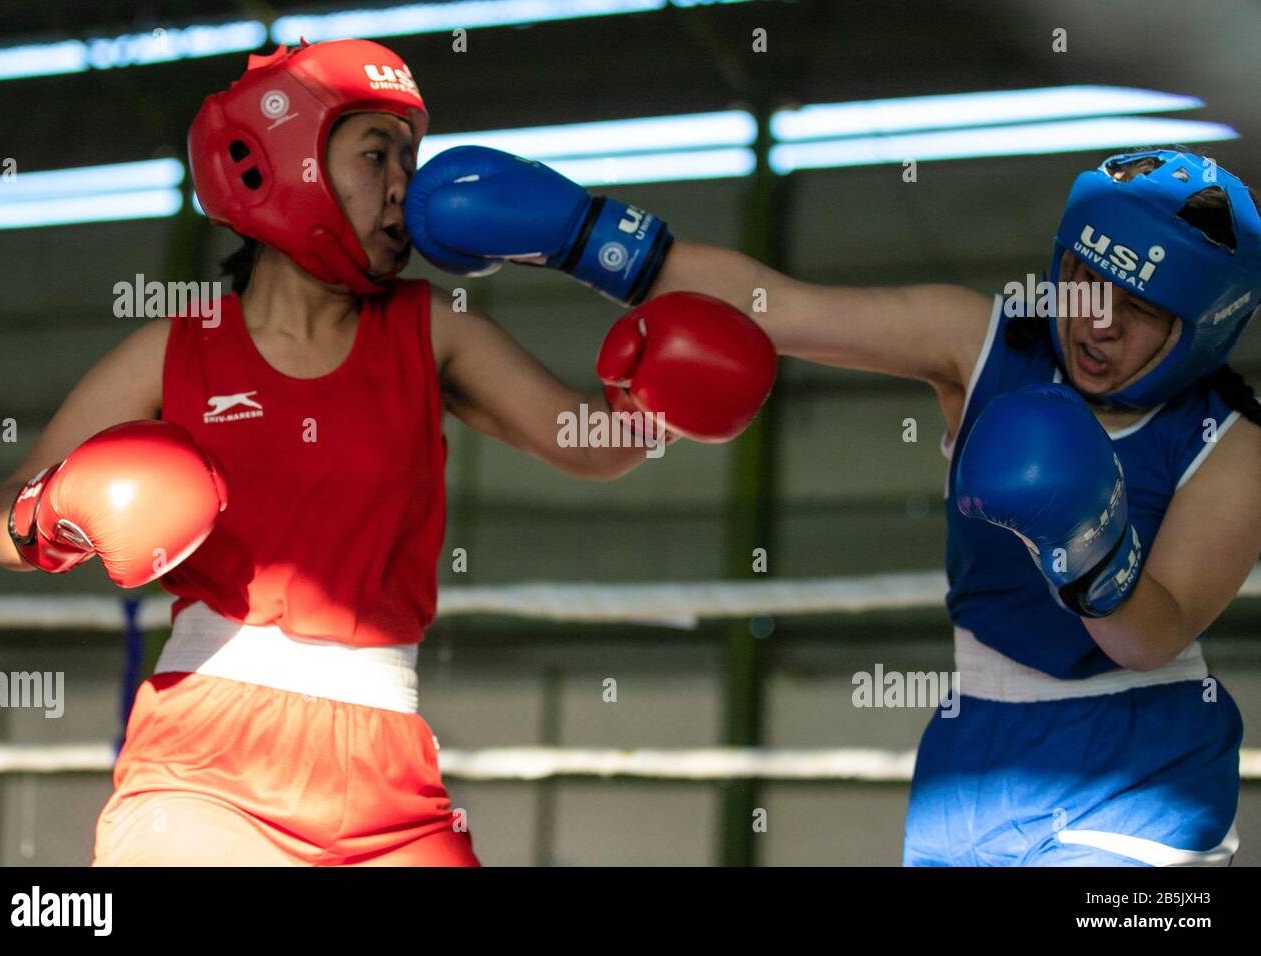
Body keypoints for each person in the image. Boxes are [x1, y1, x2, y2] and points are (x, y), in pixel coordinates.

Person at [0, 38, 776, 866]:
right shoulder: (176, 349)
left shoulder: (432, 329)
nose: (408, 184)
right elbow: (0, 523)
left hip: (387, 769)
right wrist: (57, 511)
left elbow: (588, 443)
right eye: (376, 154)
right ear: (281, 163)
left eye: (412, 155)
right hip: (205, 757)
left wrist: (654, 402)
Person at [405, 144, 1261, 865]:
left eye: (1140, 309)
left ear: (1209, 325)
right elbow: (777, 306)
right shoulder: (982, 340)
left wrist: (1086, 535)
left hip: (1143, 763)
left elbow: (1153, 633)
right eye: (1086, 280)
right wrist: (585, 235)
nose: (1098, 324)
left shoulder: (1234, 442)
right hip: (974, 754)